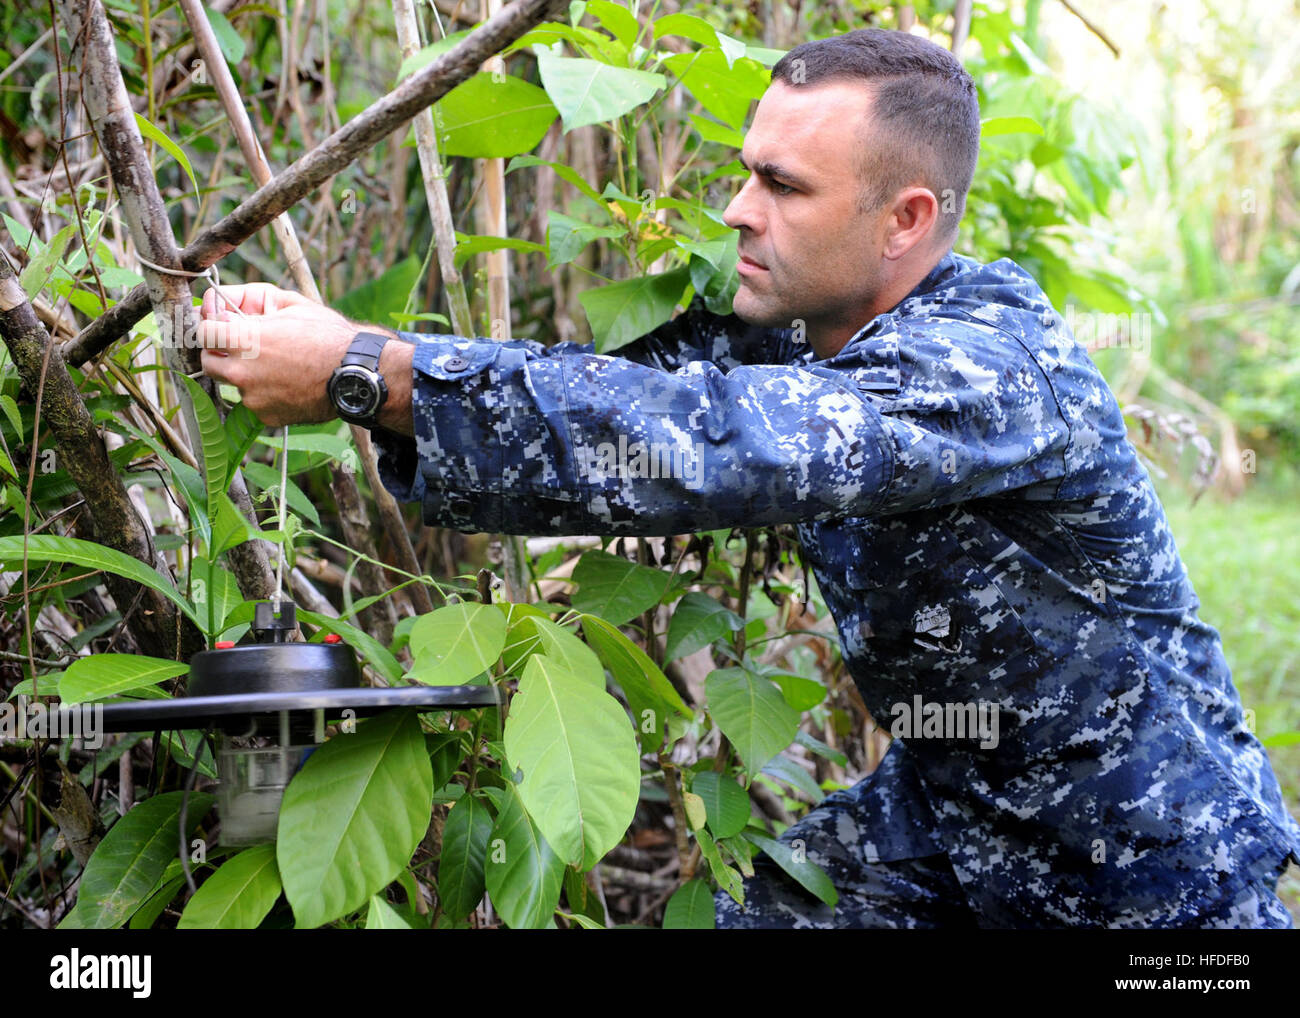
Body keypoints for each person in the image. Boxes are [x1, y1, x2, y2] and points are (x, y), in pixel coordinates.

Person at [196, 27, 1300, 928]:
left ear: (904, 220)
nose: (737, 208)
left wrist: (361, 375)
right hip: (953, 814)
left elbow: (717, 443)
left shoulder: (989, 364)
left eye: (782, 184)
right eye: (744, 172)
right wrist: (340, 347)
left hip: (1149, 868)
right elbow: (601, 410)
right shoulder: (805, 330)